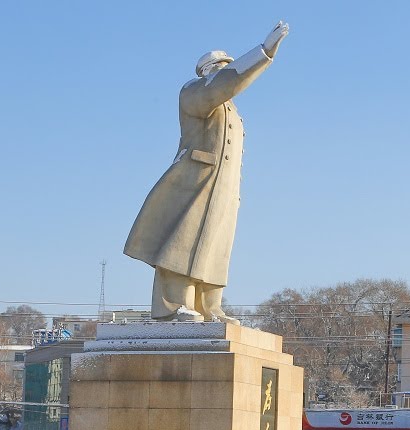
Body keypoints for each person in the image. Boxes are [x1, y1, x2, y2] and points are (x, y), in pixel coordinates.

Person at [123, 21, 289, 324]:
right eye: (224, 67)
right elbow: (222, 85)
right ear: (209, 70)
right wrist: (263, 53)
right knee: (181, 241)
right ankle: (174, 305)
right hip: (195, 179)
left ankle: (209, 306)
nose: (230, 72)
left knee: (216, 245)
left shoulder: (230, 108)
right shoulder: (194, 92)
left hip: (224, 187)